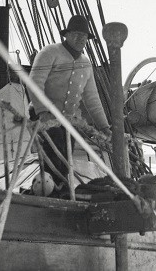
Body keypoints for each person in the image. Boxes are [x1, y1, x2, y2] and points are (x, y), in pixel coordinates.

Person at [28, 14, 111, 195]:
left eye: (84, 36)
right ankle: (52, 192)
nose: (80, 39)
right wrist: (43, 113)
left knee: (65, 158)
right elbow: (35, 83)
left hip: (69, 121)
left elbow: (92, 98)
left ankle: (60, 192)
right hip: (44, 116)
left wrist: (104, 127)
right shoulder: (49, 53)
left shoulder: (86, 64)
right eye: (76, 34)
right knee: (53, 155)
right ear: (66, 35)